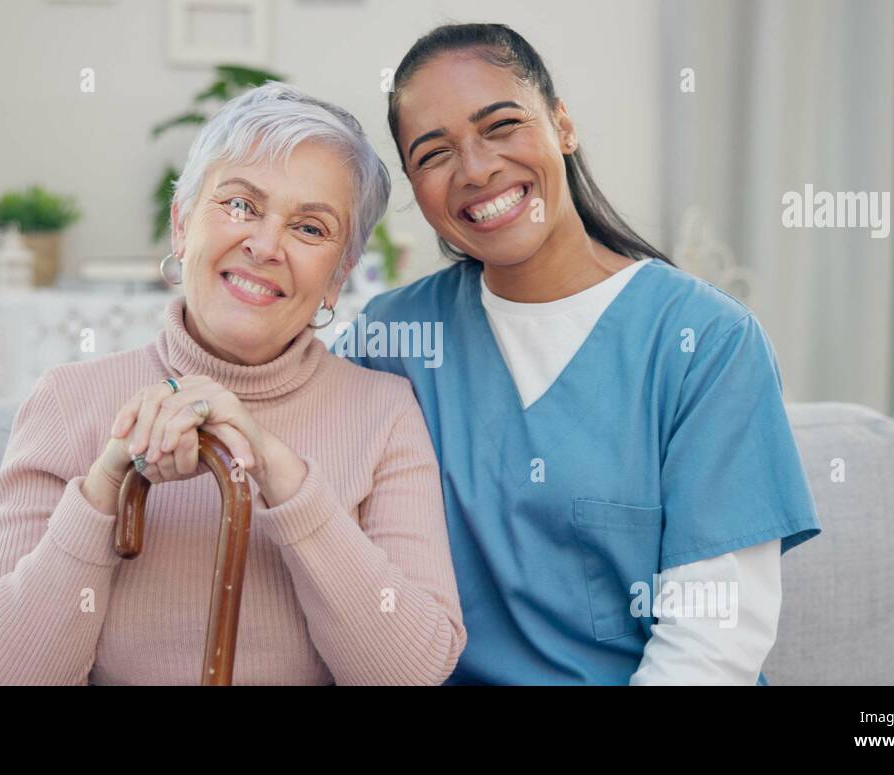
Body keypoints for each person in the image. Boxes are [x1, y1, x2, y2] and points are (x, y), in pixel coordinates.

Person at [339, 23, 821, 684]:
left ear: (562, 126)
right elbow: (278, 433)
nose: (476, 169)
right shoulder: (389, 339)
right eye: (434, 153)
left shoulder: (705, 343)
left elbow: (713, 639)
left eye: (501, 125)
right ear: (417, 191)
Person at [0, 83, 465, 685]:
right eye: (241, 205)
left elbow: (413, 674)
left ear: (338, 278)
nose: (265, 246)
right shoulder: (69, 401)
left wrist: (278, 471)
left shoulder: (385, 412)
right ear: (182, 225)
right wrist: (105, 484)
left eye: (311, 229)